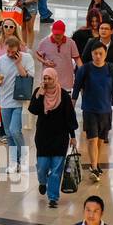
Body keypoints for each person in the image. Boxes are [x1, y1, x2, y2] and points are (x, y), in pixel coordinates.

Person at [71, 41, 113, 180]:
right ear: (91, 54)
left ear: (105, 54)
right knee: (92, 139)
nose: (98, 56)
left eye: (100, 53)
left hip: (106, 110)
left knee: (100, 140)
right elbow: (76, 87)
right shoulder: (85, 69)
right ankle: (94, 167)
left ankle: (95, 164)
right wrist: (71, 106)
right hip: (89, 110)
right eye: (95, 53)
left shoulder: (111, 69)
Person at [28, 67, 78, 208]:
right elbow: (33, 110)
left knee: (56, 170)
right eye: (45, 78)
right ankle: (43, 182)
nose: (47, 81)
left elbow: (69, 117)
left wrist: (73, 136)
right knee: (42, 168)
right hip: (43, 137)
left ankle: (53, 198)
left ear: (55, 78)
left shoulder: (63, 95)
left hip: (60, 137)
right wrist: (41, 94)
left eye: (49, 78)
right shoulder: (39, 92)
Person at [0, 35, 34, 174]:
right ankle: (12, 161)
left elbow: (27, 78)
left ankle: (23, 158)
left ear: (19, 49)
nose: (10, 54)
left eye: (13, 51)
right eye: (8, 51)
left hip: (19, 100)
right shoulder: (1, 60)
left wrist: (18, 63)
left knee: (15, 130)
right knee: (8, 133)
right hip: (4, 100)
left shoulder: (26, 58)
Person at [34, 19, 81, 94]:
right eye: (55, 34)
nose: (57, 36)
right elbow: (37, 55)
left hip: (66, 81)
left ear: (64, 32)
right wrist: (45, 62)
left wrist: (83, 70)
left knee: (64, 102)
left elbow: (77, 58)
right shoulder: (44, 42)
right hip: (49, 81)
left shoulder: (71, 43)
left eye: (59, 34)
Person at [81, 20, 113, 86]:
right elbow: (84, 59)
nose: (103, 31)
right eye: (101, 28)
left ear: (111, 31)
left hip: (109, 80)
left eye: (106, 29)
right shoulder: (91, 42)